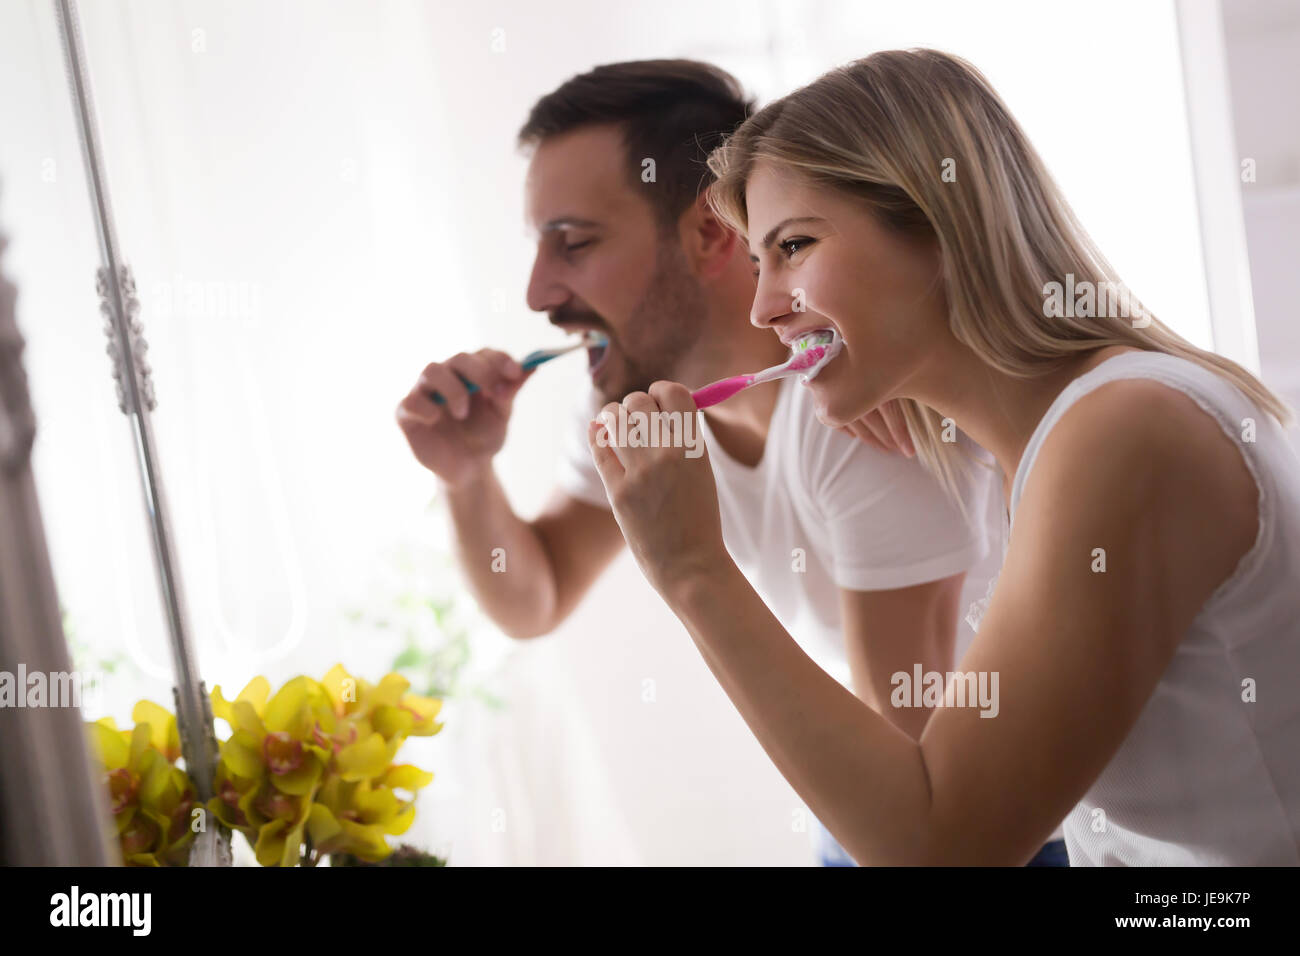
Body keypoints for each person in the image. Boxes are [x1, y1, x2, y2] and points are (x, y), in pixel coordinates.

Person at [585, 48, 1300, 865]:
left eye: (795, 247)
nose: (765, 307)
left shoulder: (1125, 433)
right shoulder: (1022, 447)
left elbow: (940, 848)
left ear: (940, 223)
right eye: (758, 262)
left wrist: (691, 568)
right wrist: (901, 363)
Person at [394, 60, 1062, 864]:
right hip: (867, 807)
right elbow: (534, 598)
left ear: (711, 232)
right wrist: (467, 476)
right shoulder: (638, 391)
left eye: (573, 243)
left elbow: (920, 816)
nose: (538, 293)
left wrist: (688, 567)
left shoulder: (857, 420)